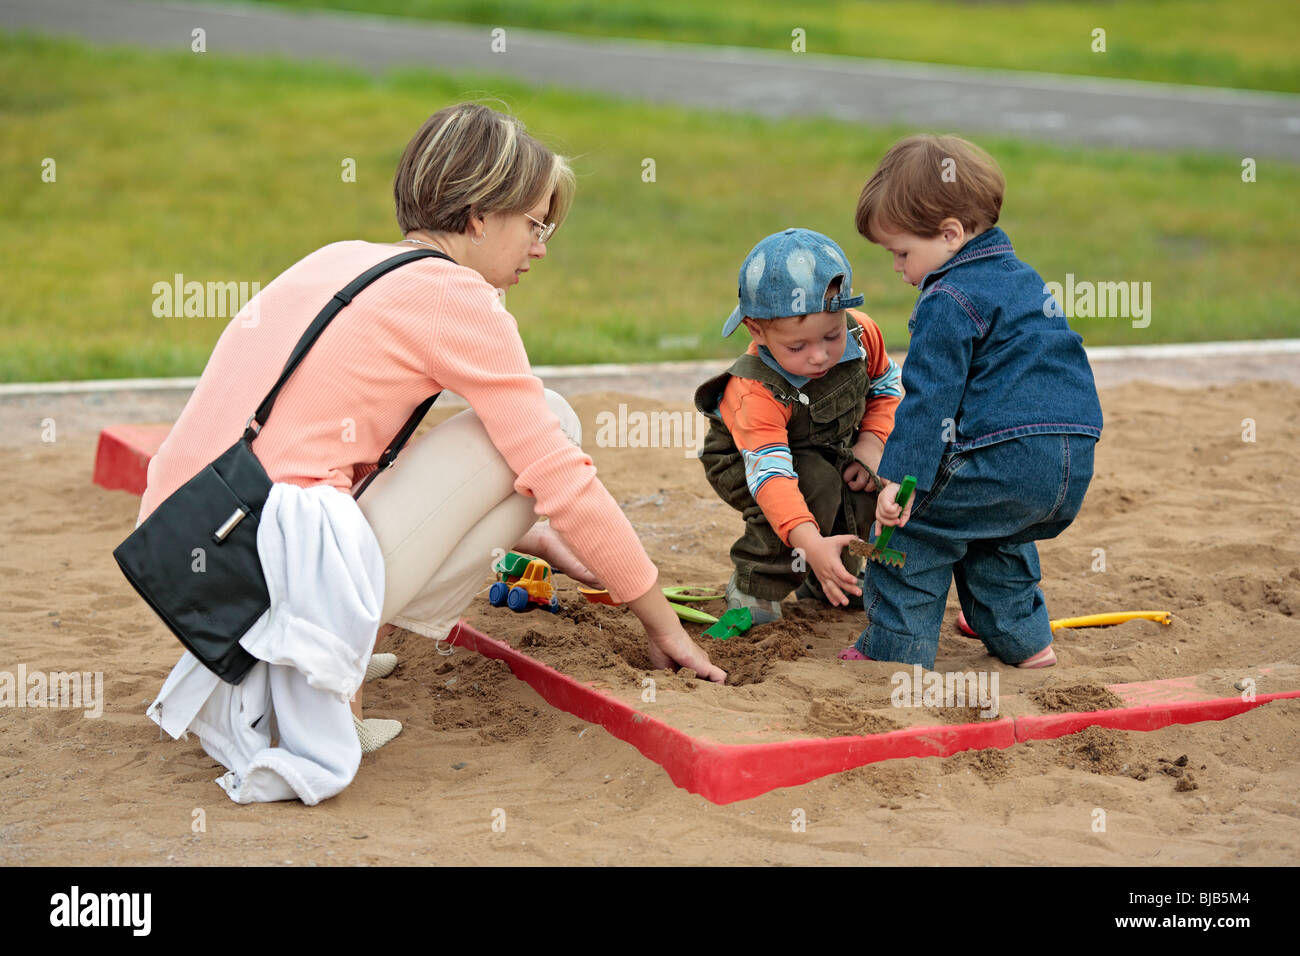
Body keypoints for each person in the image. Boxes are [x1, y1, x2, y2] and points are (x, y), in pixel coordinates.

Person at [139, 102, 725, 755]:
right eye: (535, 223)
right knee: (549, 421)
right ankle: (316, 682)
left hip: (187, 545)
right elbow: (558, 473)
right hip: (259, 575)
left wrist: (537, 539)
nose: (541, 246)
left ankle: (340, 652)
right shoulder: (458, 297)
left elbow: (350, 442)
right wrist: (659, 620)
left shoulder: (341, 259)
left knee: (508, 445)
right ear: (478, 218)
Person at [840, 133, 1103, 670]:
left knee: (910, 528)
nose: (897, 267)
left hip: (1005, 453)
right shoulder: (1024, 280)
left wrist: (899, 480)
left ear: (950, 234)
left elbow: (928, 398)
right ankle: (1026, 643)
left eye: (901, 252)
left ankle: (895, 653)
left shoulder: (947, 299)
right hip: (1070, 459)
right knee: (993, 532)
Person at [693, 228, 902, 624]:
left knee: (864, 482)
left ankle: (832, 577)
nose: (820, 356)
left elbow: (886, 385)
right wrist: (808, 543)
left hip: (833, 443)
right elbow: (772, 476)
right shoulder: (754, 391)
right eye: (797, 347)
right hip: (751, 461)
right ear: (757, 330)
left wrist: (871, 446)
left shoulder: (863, 333)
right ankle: (756, 585)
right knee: (814, 486)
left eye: (832, 335)